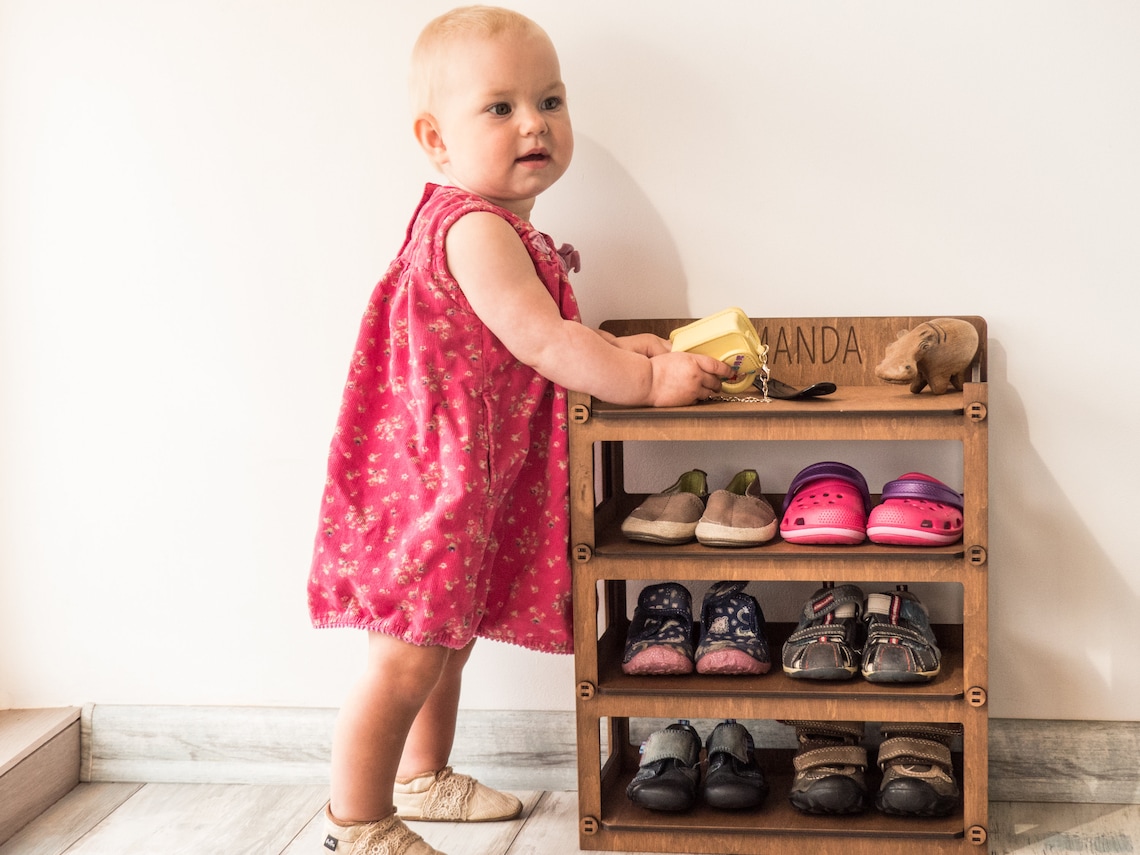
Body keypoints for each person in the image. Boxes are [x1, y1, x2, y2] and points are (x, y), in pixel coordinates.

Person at [308, 6, 730, 853]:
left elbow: (530, 339)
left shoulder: (499, 227)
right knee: (405, 658)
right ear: (436, 138)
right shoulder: (474, 228)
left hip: (458, 477)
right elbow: (541, 340)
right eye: (498, 108)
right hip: (427, 486)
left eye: (550, 100)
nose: (533, 122)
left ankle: (421, 777)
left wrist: (611, 345)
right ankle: (355, 824)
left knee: (443, 645)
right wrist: (646, 380)